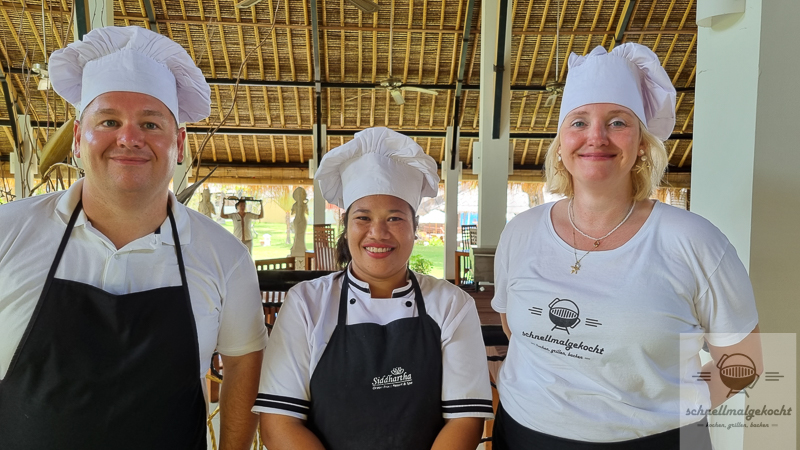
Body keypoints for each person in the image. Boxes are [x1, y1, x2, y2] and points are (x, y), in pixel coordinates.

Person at [0, 26, 267, 449]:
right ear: (76, 139)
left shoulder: (225, 257)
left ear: (178, 143)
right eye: (108, 121)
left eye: (150, 123)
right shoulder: (7, 233)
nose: (129, 138)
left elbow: (245, 360)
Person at [491, 44, 761, 449]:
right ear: (561, 145)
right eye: (579, 122)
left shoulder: (694, 240)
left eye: (617, 122)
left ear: (640, 146)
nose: (596, 137)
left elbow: (747, 360)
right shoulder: (522, 231)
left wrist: (677, 408)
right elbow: (514, 326)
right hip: (522, 432)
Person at [254, 127, 493, 450]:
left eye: (394, 219)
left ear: (415, 228)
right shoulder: (306, 303)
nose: (377, 233)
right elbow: (279, 423)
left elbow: (464, 421)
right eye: (363, 218)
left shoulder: (451, 305)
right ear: (347, 226)